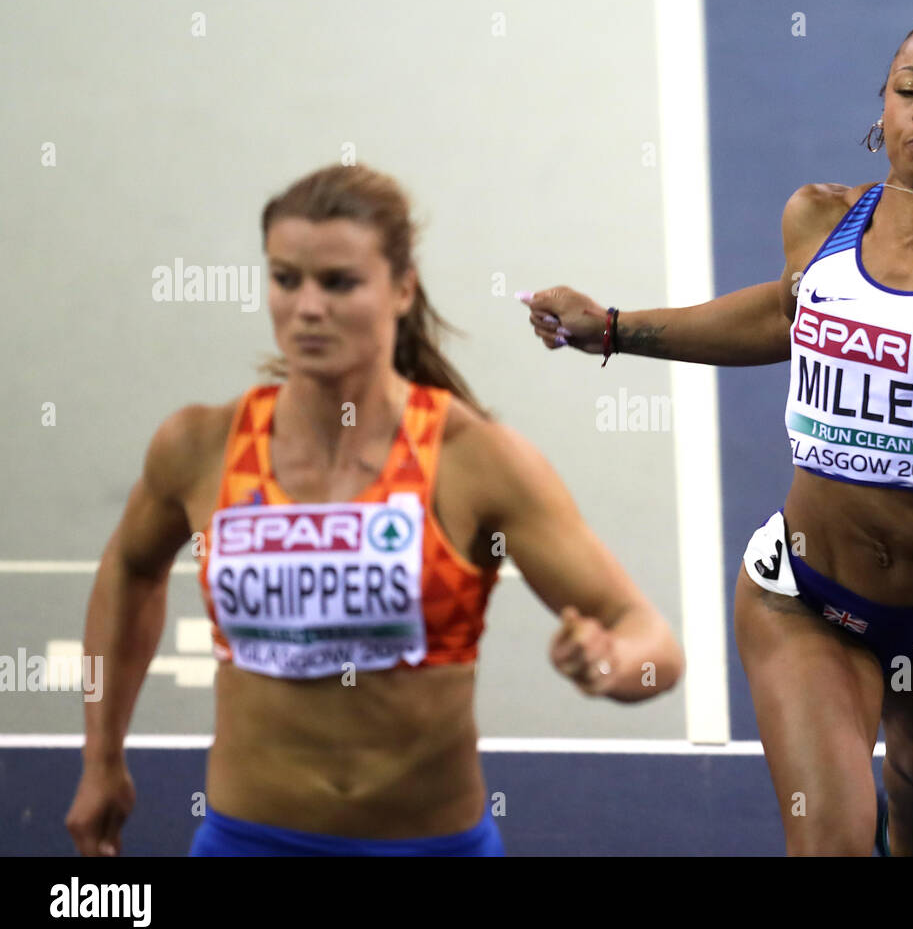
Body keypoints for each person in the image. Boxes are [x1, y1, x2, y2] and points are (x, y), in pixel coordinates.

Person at [518, 0, 913, 855]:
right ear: (885, 105)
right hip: (805, 603)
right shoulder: (820, 219)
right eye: (909, 89)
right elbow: (778, 318)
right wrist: (612, 327)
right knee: (830, 842)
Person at [66, 164, 684, 857]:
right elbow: (130, 568)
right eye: (285, 278)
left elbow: (652, 639)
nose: (306, 307)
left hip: (431, 847)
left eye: (338, 282)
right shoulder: (200, 446)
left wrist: (612, 661)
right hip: (247, 840)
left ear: (401, 289)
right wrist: (101, 757)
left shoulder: (474, 459)